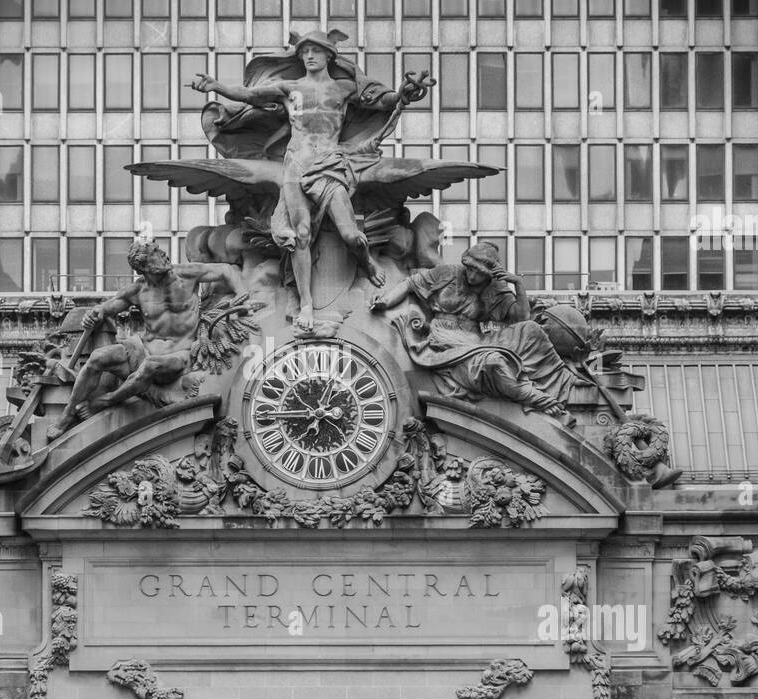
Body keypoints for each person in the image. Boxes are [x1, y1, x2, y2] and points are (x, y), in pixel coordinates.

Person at [187, 30, 431, 332]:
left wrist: (405, 93)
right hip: (296, 165)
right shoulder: (290, 87)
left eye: (315, 51)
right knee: (300, 236)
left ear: (329, 55)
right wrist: (217, 87)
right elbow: (250, 96)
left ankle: (367, 261)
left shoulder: (344, 87)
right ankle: (305, 303)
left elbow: (384, 100)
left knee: (351, 235)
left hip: (330, 165)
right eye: (304, 52)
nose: (309, 56)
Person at [46, 239, 244, 441]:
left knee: (150, 365)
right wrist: (95, 313)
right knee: (98, 357)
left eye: (159, 250)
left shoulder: (186, 274)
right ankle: (67, 415)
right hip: (143, 349)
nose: (164, 254)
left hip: (180, 355)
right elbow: (109, 307)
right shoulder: (138, 290)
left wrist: (244, 296)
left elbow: (227, 271)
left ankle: (104, 402)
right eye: (156, 254)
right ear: (144, 267)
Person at [370, 241, 583, 418]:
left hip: (476, 337)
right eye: (470, 269)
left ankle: (564, 378)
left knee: (531, 330)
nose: (472, 276)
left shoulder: (494, 288)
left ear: (489, 274)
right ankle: (530, 395)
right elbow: (409, 284)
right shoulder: (448, 273)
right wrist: (385, 301)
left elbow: (521, 317)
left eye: (478, 273)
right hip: (446, 336)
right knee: (493, 362)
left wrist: (518, 284)